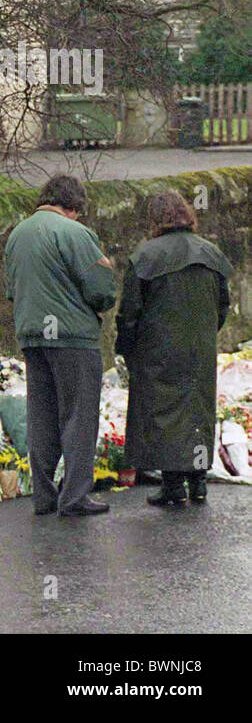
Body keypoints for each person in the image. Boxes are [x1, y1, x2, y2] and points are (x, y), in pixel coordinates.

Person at [4, 175, 117, 517]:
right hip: (72, 338)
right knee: (78, 415)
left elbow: (12, 290)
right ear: (72, 207)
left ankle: (43, 496)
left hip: (32, 336)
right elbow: (102, 290)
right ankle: (75, 496)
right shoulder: (75, 233)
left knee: (42, 416)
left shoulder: (16, 235)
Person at [116, 190, 232, 507]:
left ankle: (172, 485)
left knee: (164, 412)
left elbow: (130, 312)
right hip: (200, 347)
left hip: (159, 349)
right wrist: (205, 334)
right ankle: (198, 482)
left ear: (154, 219)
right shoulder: (211, 253)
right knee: (197, 409)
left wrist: (127, 347)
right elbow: (222, 306)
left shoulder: (146, 256)